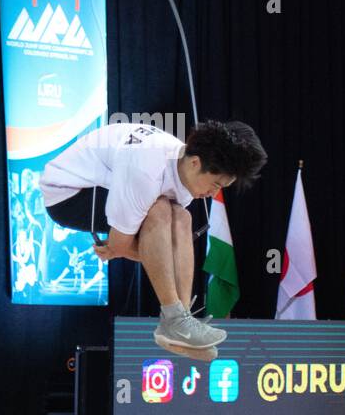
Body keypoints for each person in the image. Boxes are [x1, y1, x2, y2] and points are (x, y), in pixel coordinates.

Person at [40, 120, 267, 355]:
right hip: (67, 193)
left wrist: (142, 251)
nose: (214, 194)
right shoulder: (146, 171)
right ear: (195, 162)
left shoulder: (183, 169)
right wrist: (124, 249)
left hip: (106, 179)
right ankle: (173, 319)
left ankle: (182, 322)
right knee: (159, 209)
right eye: (215, 185)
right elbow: (120, 245)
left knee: (182, 218)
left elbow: (154, 244)